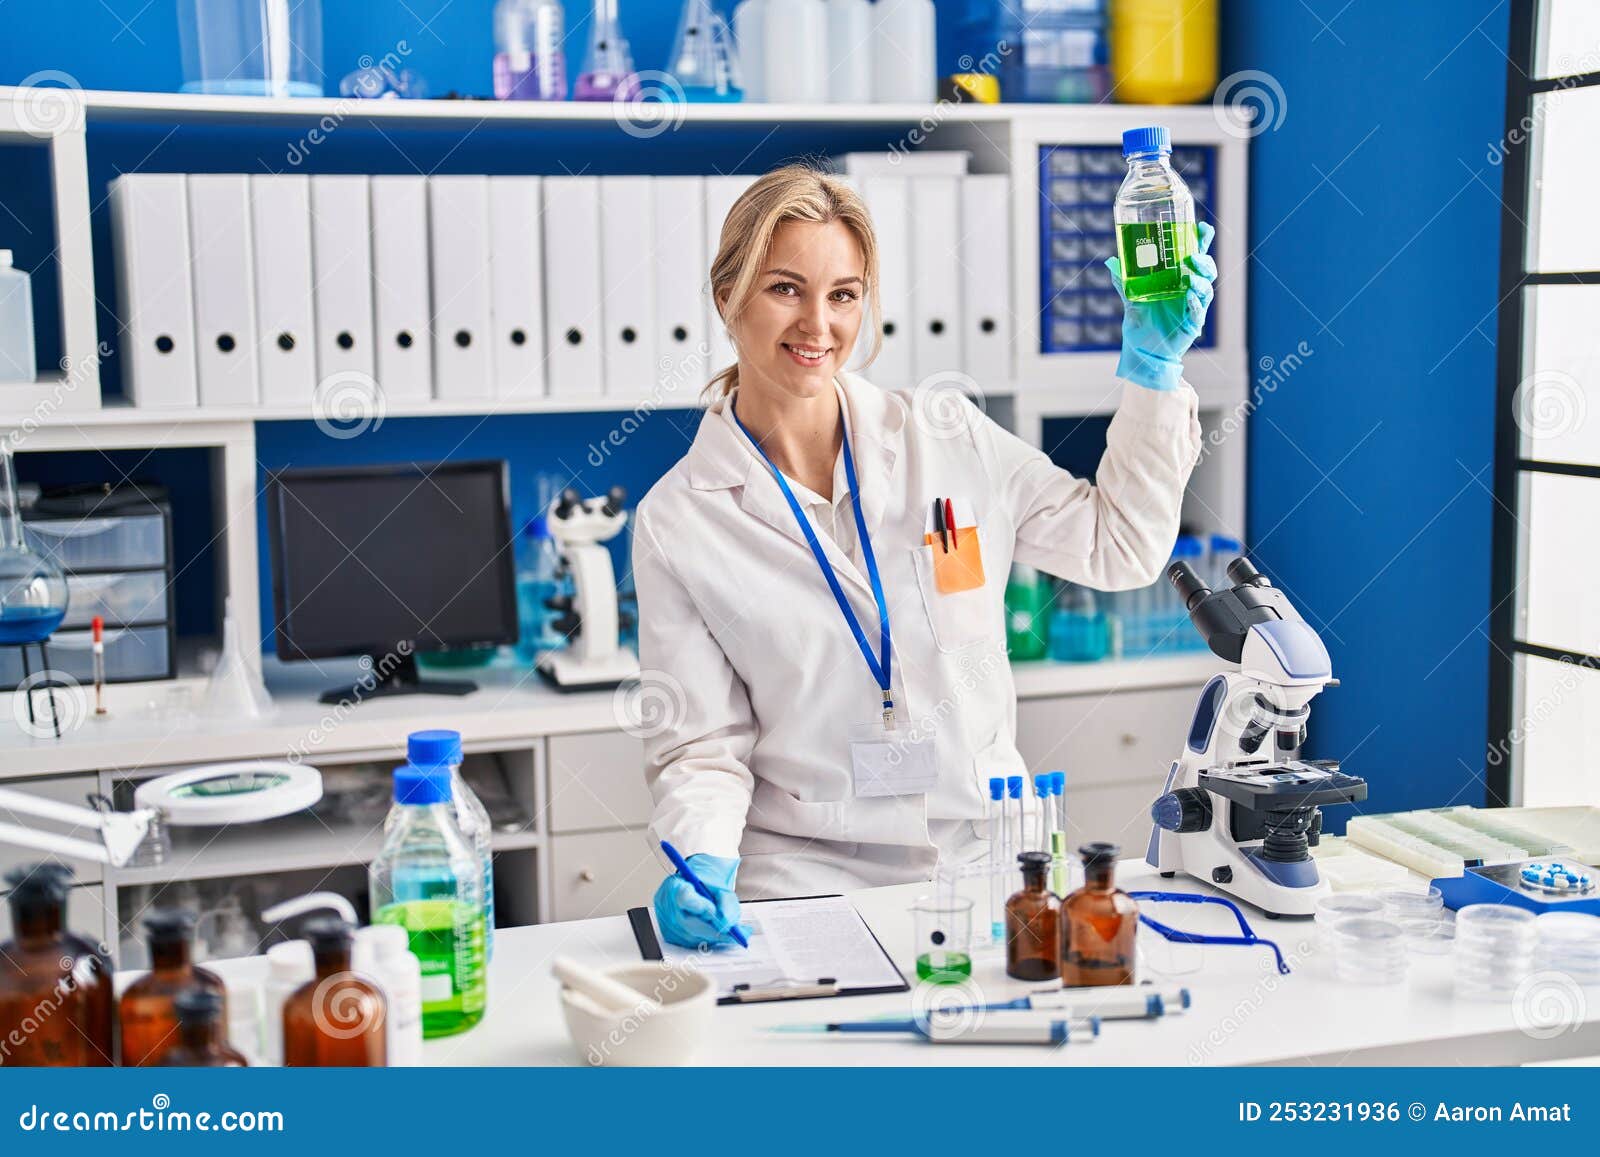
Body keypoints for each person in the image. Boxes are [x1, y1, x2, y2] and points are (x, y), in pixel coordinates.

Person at [634, 163, 1214, 948]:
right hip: (811, 872)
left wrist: (1154, 375)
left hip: (991, 860)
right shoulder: (680, 520)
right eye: (785, 289)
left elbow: (1118, 546)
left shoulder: (945, 433)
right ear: (726, 297)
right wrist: (701, 858)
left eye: (843, 294)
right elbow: (702, 747)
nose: (817, 324)